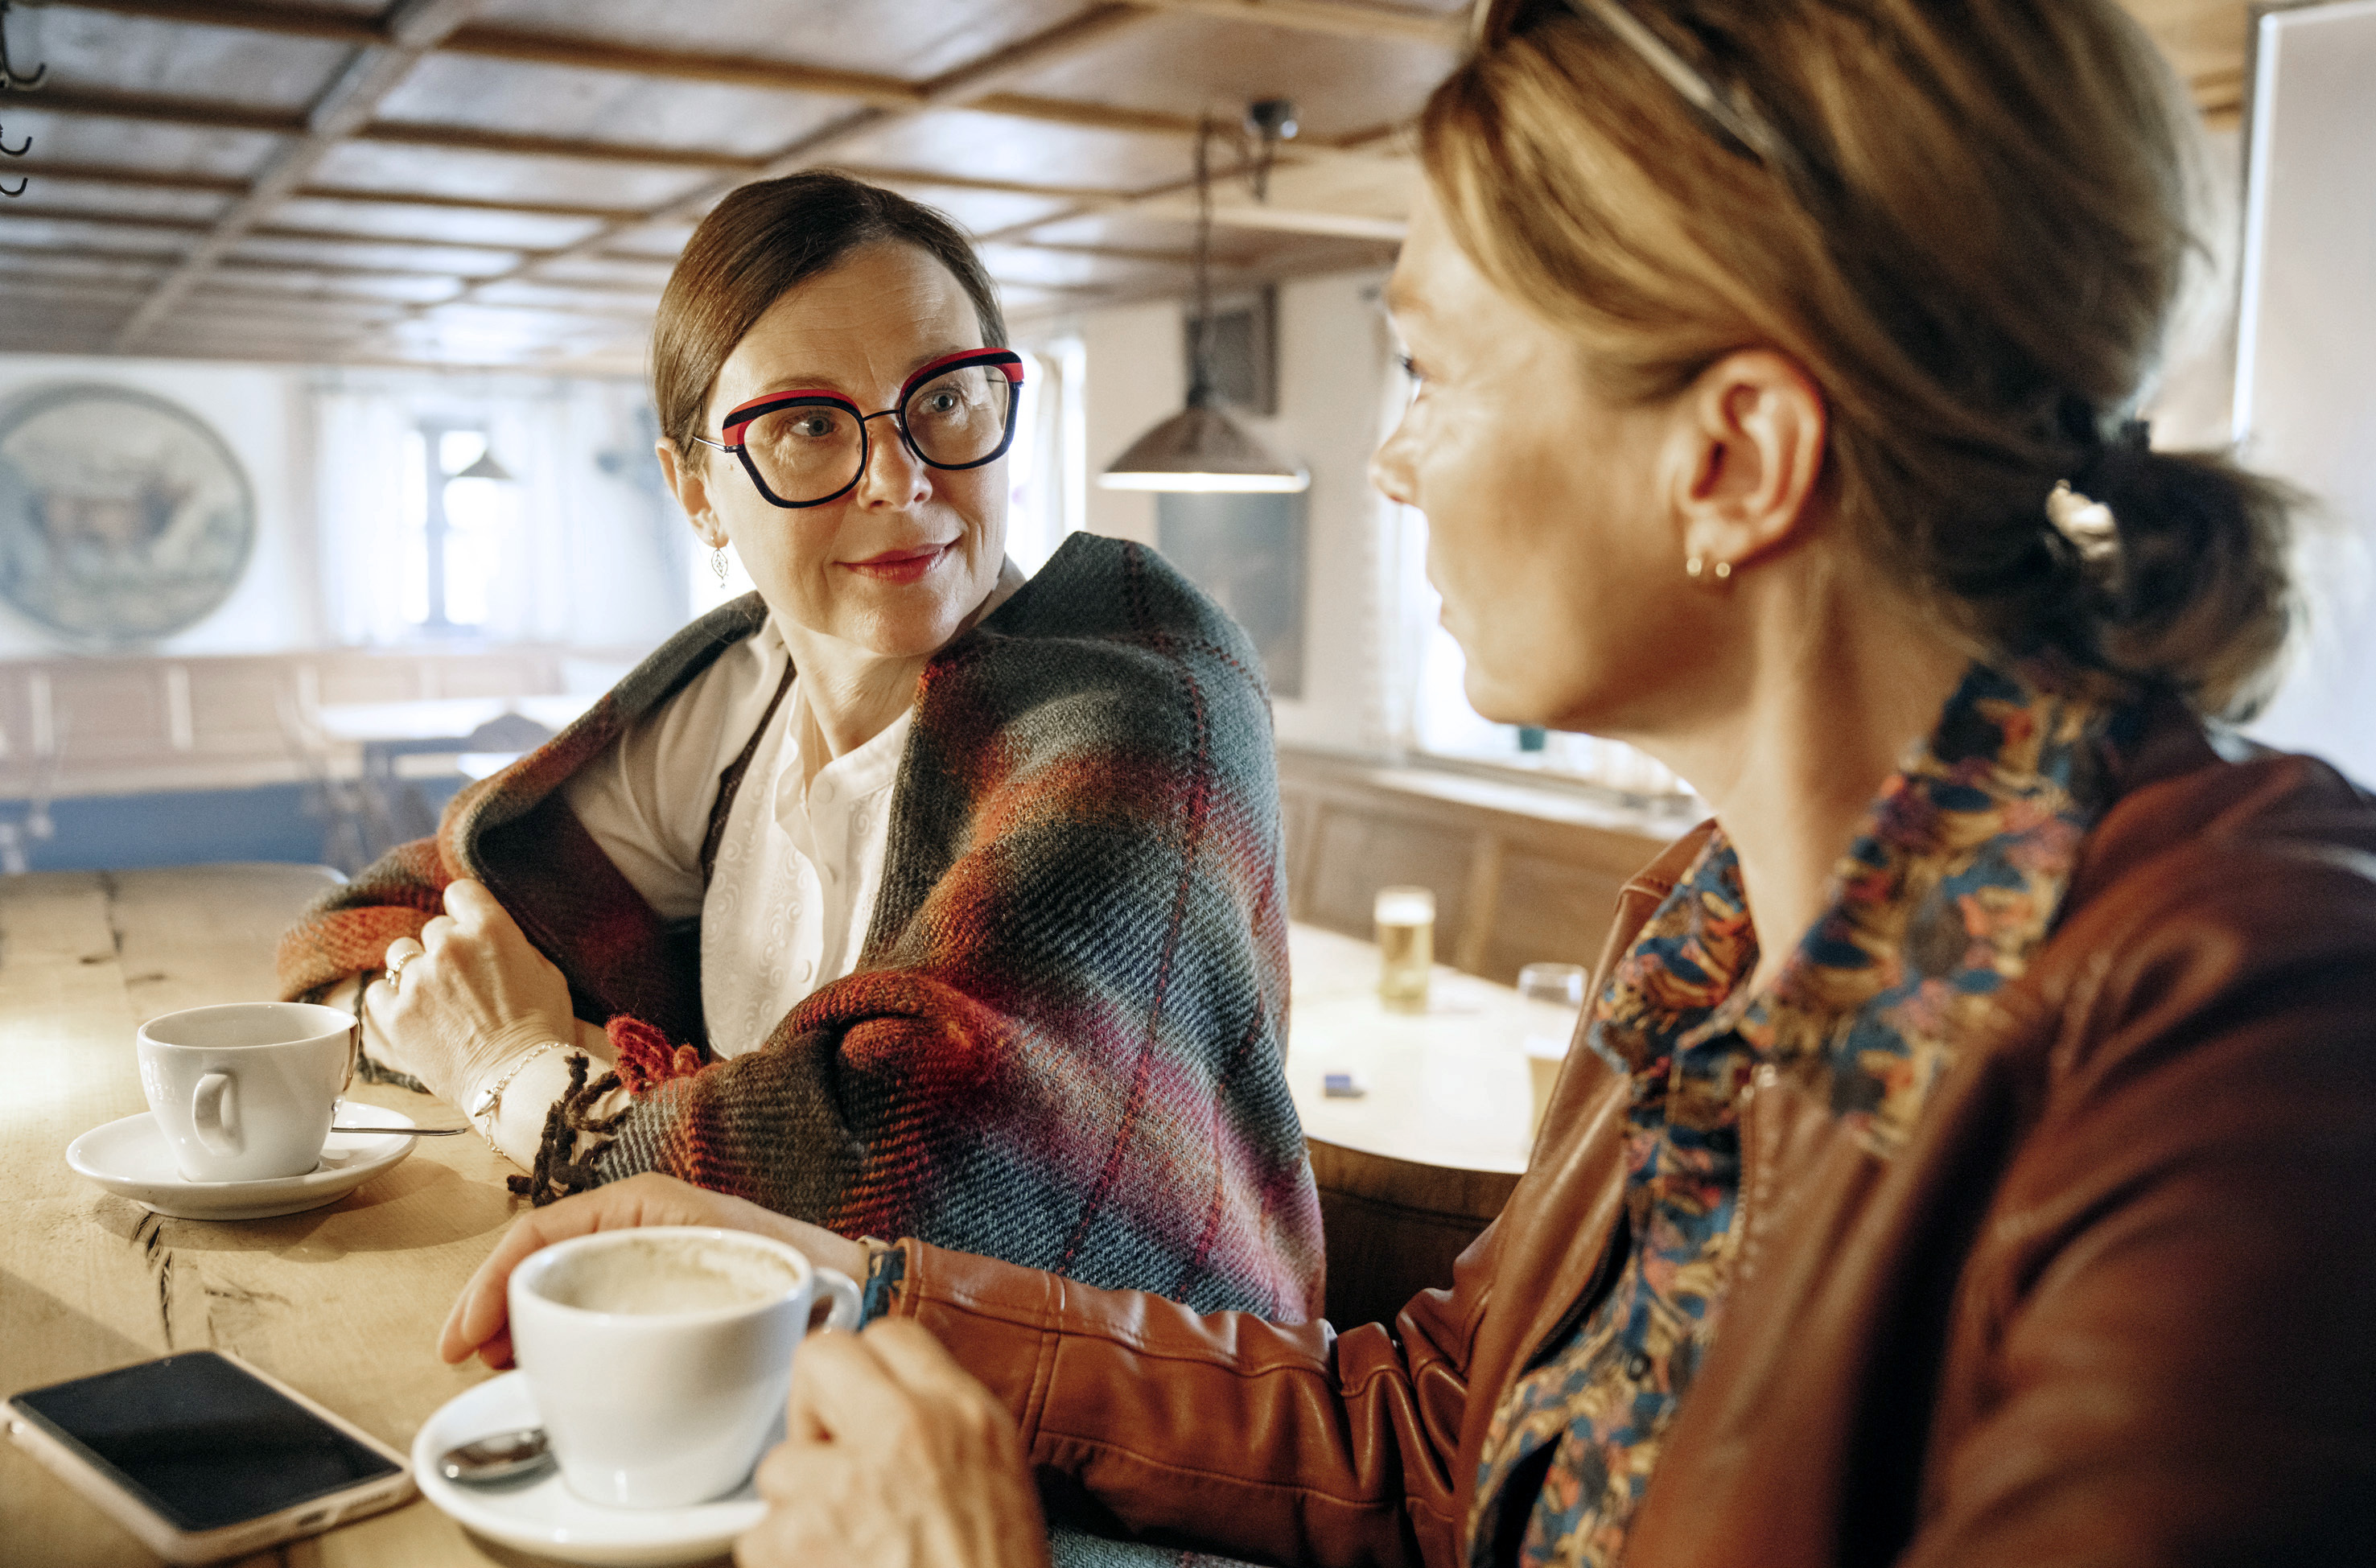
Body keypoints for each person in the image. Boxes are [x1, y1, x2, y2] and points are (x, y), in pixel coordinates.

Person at [440, 2, 2376, 1566]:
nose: (1388, 466)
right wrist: (857, 1288)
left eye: (1431, 373)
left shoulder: (2251, 1047)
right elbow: (1432, 1443)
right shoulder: (1715, 923)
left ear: (1737, 460)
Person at [277, 172, 1323, 1333]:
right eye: (808, 424)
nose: (899, 478)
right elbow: (382, 916)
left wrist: (510, 1066)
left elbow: (896, 1180)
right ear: (698, 496)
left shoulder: (1141, 705)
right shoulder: (739, 690)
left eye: (946, 398)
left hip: (1128, 1437)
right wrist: (445, 1019)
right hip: (791, 1362)